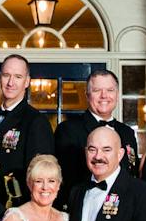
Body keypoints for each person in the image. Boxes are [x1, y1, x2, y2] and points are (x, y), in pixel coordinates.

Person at [0, 54, 54, 206]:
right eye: (6, 75)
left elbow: (39, 174)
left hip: (16, 204)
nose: (10, 82)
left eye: (18, 77)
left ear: (27, 81)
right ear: (0, 78)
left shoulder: (35, 121)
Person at [54, 69, 138, 199]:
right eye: (97, 90)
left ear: (117, 94)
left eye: (110, 90)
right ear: (87, 95)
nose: (104, 95)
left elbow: (131, 174)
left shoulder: (127, 133)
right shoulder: (68, 130)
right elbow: (66, 179)